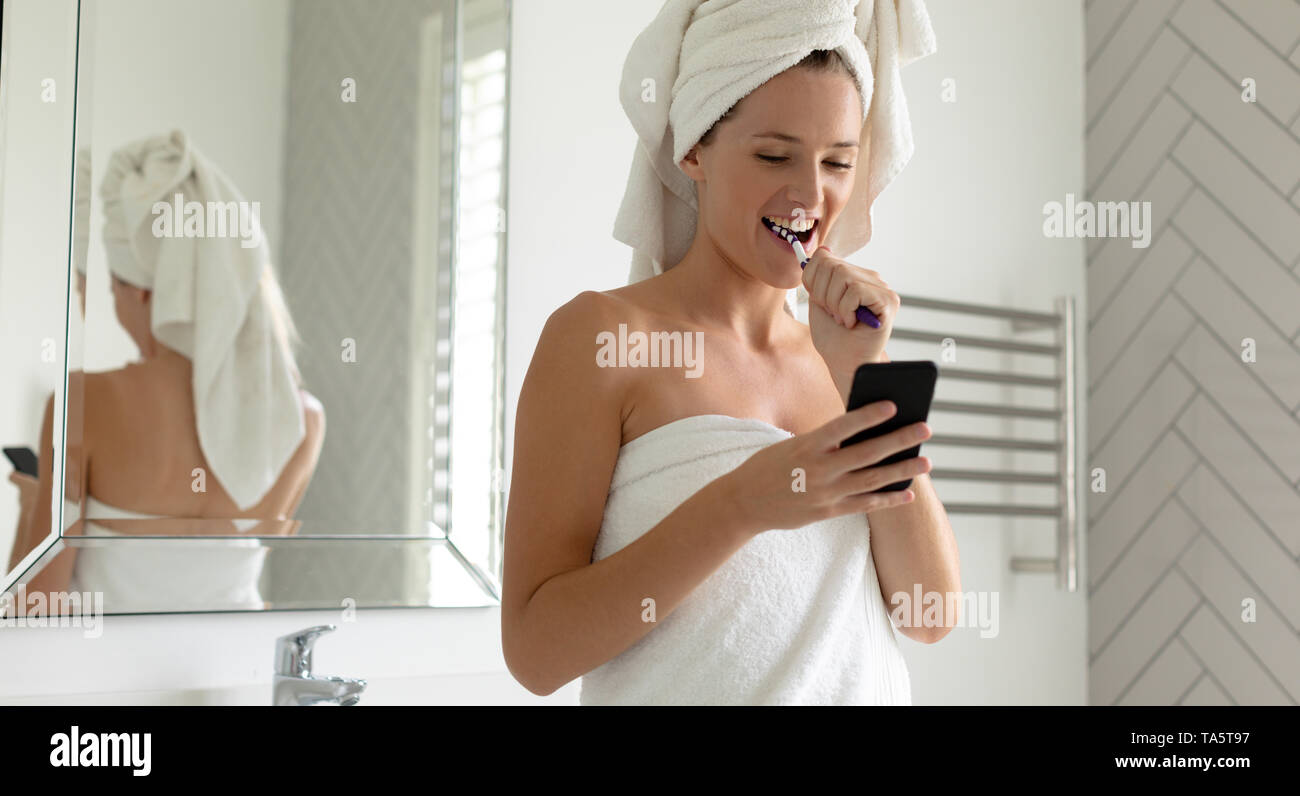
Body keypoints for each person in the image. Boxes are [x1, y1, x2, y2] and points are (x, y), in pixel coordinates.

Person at [501, 0, 959, 705]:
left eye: (838, 162)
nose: (811, 195)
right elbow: (536, 653)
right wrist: (742, 504)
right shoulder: (604, 340)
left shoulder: (841, 364)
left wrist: (866, 379)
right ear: (694, 148)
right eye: (774, 155)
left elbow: (930, 614)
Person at [8, 131, 325, 611]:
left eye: (112, 286)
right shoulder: (301, 422)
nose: (110, 299)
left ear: (141, 290)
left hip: (107, 683)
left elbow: (33, 610)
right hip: (235, 681)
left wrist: (35, 506)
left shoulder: (84, 405)